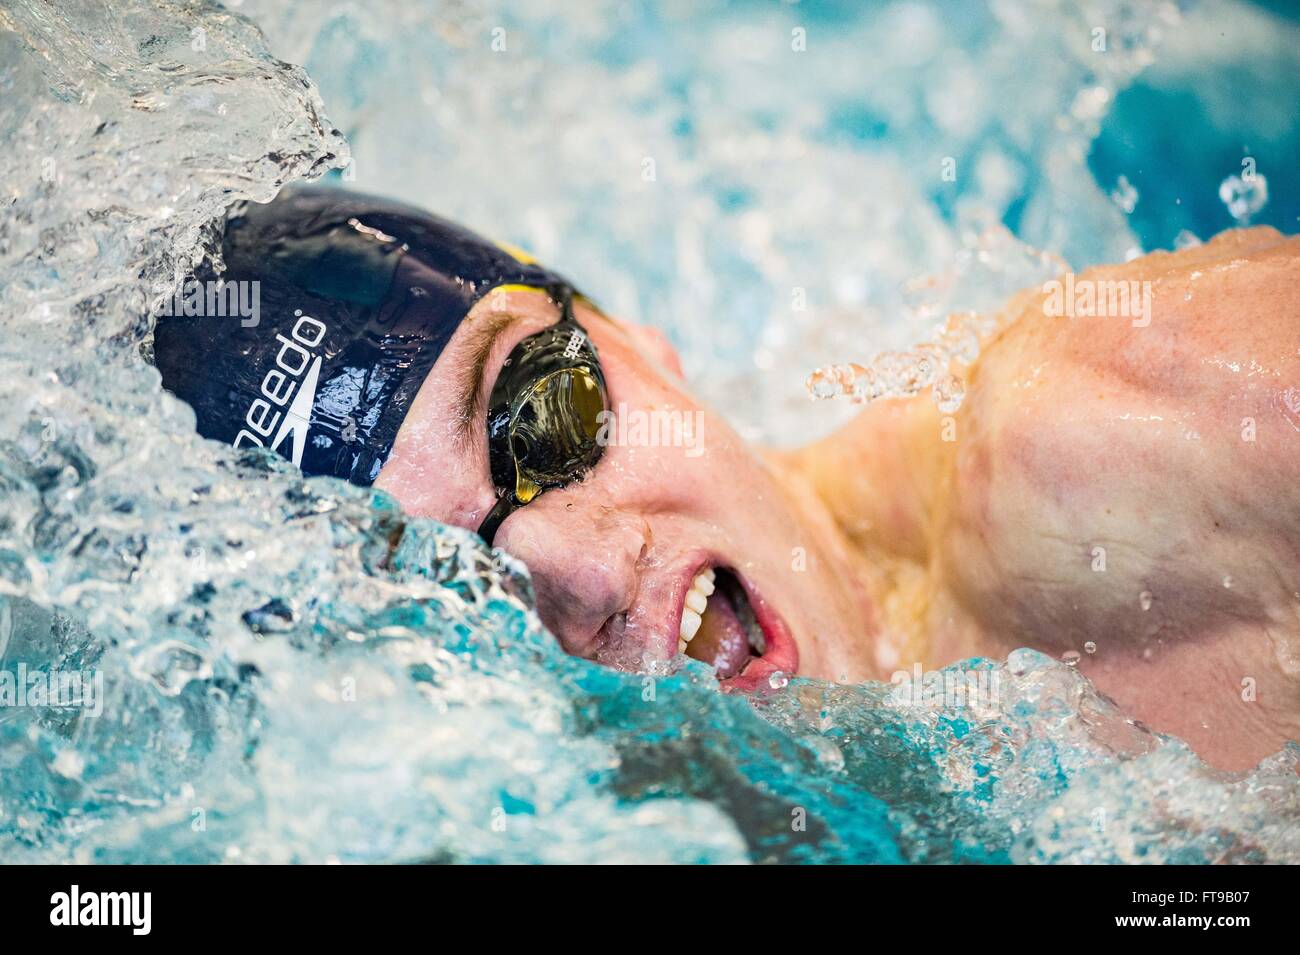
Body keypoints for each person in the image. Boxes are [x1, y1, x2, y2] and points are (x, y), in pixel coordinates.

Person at [153, 186, 1300, 771]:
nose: (584, 569)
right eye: (450, 582)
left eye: (542, 414)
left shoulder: (1133, 431)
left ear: (644, 343)